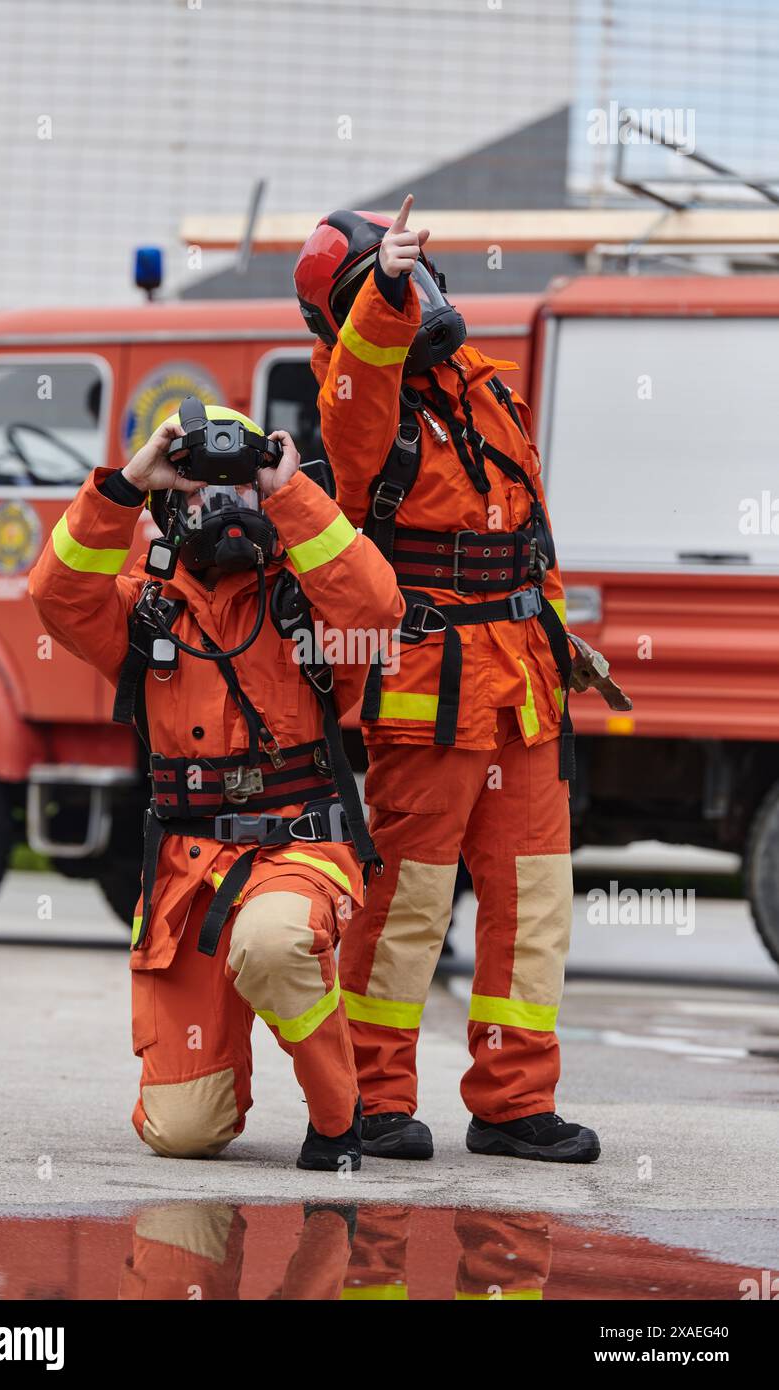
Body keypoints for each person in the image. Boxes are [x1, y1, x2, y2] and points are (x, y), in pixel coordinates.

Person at [294, 197, 630, 1164]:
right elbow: (360, 390)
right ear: (346, 317)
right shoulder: (354, 398)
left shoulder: (485, 387)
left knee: (535, 906)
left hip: (523, 686)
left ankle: (514, 1101)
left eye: (418, 277)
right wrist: (386, 291)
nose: (419, 295)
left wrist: (559, 646)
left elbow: (532, 538)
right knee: (407, 909)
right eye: (389, 289)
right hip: (430, 695)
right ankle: (374, 1101)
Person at [29, 401, 404, 1171]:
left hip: (297, 848)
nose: (221, 506)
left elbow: (378, 607)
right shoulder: (145, 610)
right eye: (199, 489)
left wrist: (291, 490)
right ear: (168, 509)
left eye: (239, 488)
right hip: (186, 880)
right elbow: (56, 593)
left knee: (274, 942)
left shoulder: (308, 600)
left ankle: (340, 1118)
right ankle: (223, 1079)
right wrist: (131, 480)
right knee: (183, 1133)